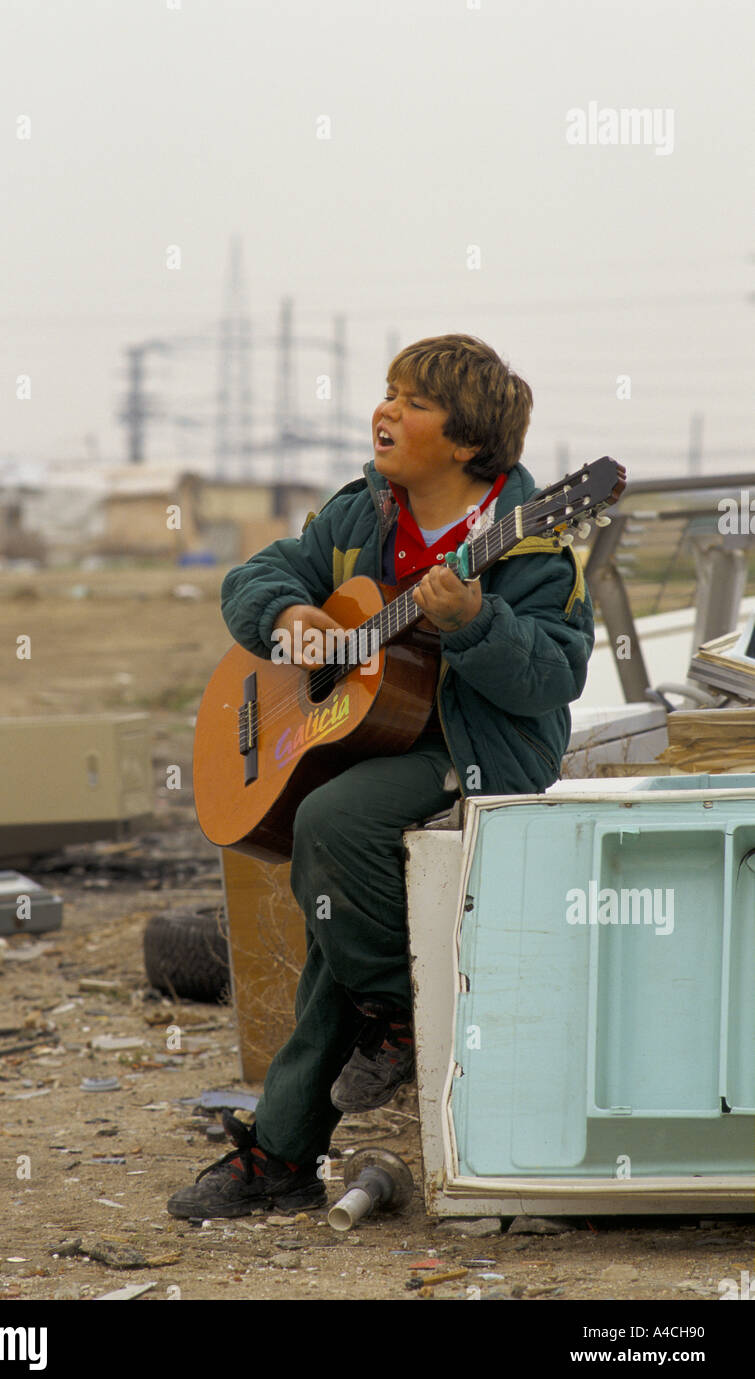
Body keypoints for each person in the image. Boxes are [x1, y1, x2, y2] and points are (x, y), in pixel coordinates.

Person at [167, 333, 594, 1219]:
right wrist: (285, 614)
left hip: (475, 752)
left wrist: (476, 623)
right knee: (334, 922)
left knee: (332, 822)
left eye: (413, 402)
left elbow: (553, 677)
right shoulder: (362, 512)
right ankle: (328, 1096)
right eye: (387, 393)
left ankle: (364, 1044)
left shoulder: (532, 542)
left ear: (470, 442)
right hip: (372, 742)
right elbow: (259, 573)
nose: (385, 412)